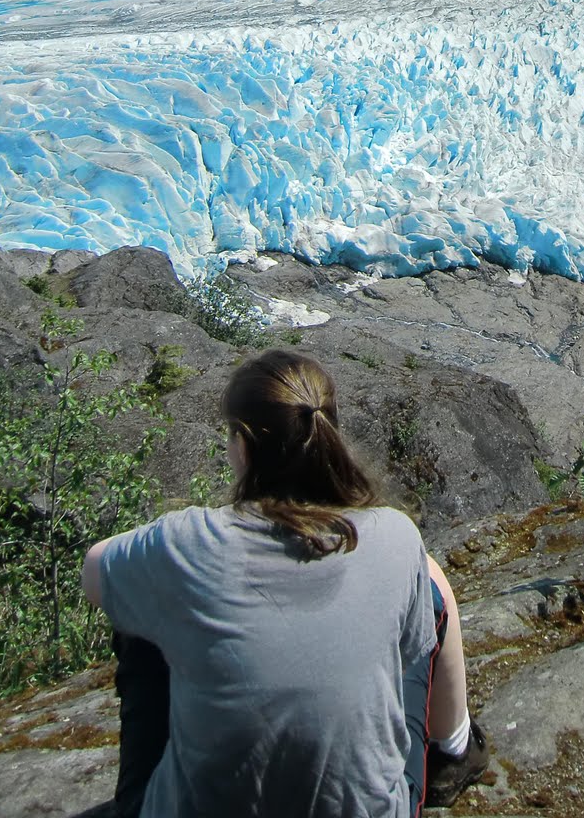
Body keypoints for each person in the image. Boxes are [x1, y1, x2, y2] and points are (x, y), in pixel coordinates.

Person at [81, 348, 488, 818]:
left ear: (244, 447)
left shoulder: (188, 541)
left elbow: (96, 571)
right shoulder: (394, 535)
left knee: (141, 596)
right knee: (430, 583)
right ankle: (455, 748)